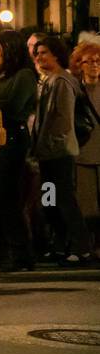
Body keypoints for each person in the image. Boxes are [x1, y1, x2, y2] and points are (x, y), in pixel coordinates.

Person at [31, 36, 91, 265]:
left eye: (44, 52)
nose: (39, 57)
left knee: (64, 199)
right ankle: (59, 243)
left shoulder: (62, 82)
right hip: (47, 153)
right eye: (37, 53)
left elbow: (63, 120)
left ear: (56, 54)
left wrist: (47, 143)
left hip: (60, 151)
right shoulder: (48, 80)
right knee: (49, 200)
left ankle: (81, 247)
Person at [0, 31, 36, 271]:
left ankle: (21, 254)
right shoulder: (2, 75)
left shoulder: (24, 76)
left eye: (0, 48)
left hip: (14, 138)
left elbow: (14, 106)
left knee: (8, 197)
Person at [70, 41, 100, 258]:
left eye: (98, 61)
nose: (93, 65)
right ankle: (87, 246)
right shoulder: (75, 90)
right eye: (87, 61)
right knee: (88, 206)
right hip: (84, 153)